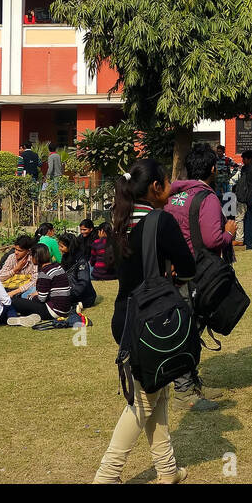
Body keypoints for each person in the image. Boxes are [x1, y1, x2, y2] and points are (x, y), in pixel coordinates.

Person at [95, 158, 197, 484]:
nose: (170, 188)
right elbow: (189, 266)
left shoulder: (121, 222)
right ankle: (107, 476)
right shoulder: (159, 221)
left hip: (124, 317)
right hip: (150, 322)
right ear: (155, 187)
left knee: (155, 393)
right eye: (166, 182)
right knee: (143, 401)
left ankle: (167, 470)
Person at [164, 143, 237, 411]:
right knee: (188, 331)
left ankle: (193, 382)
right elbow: (212, 239)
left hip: (176, 271)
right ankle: (184, 392)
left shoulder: (174, 196)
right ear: (212, 169)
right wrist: (229, 232)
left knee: (188, 328)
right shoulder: (208, 198)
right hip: (198, 273)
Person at [7, 243, 71, 327]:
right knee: (26, 299)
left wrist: (30, 297)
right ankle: (31, 316)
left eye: (31, 256)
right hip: (65, 309)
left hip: (53, 311)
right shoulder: (57, 267)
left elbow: (41, 299)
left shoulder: (45, 273)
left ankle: (13, 317)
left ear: (36, 257)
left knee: (14, 301)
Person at [58, 231, 97, 309]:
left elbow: (83, 282)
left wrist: (68, 295)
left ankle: (77, 305)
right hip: (70, 292)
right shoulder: (66, 257)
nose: (59, 249)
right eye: (59, 246)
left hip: (84, 296)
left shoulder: (81, 261)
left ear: (70, 247)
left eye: (62, 246)